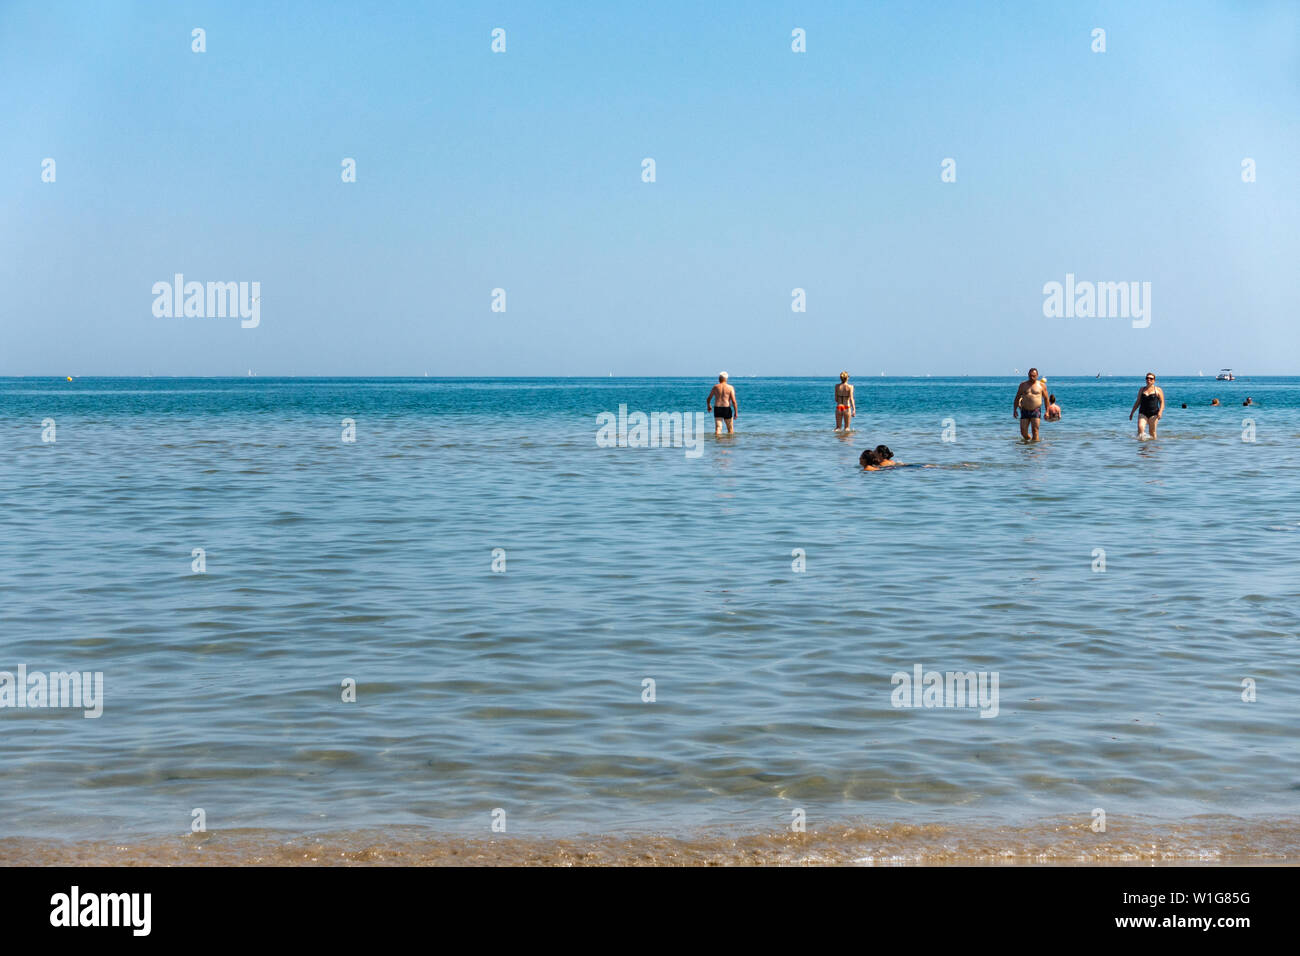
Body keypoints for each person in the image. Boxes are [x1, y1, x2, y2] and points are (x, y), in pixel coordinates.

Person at [1013, 368, 1048, 441]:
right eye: (1030, 376)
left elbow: (1046, 399)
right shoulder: (1023, 385)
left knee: (1035, 431)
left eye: (1033, 376)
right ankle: (1030, 443)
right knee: (1023, 433)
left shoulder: (1041, 385)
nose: (1032, 377)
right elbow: (1017, 397)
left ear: (1037, 375)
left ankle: (1035, 450)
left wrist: (1047, 411)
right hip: (1024, 410)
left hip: (1036, 410)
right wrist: (1015, 410)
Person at [1128, 372, 1165, 438]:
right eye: (1147, 378)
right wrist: (1132, 413)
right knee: (1140, 429)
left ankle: (1154, 446)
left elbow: (1162, 403)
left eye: (1151, 378)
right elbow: (1137, 402)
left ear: (1154, 380)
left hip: (1154, 414)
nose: (1149, 380)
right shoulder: (1142, 389)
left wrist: (1160, 412)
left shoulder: (1158, 390)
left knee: (1152, 432)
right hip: (1143, 412)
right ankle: (1142, 446)